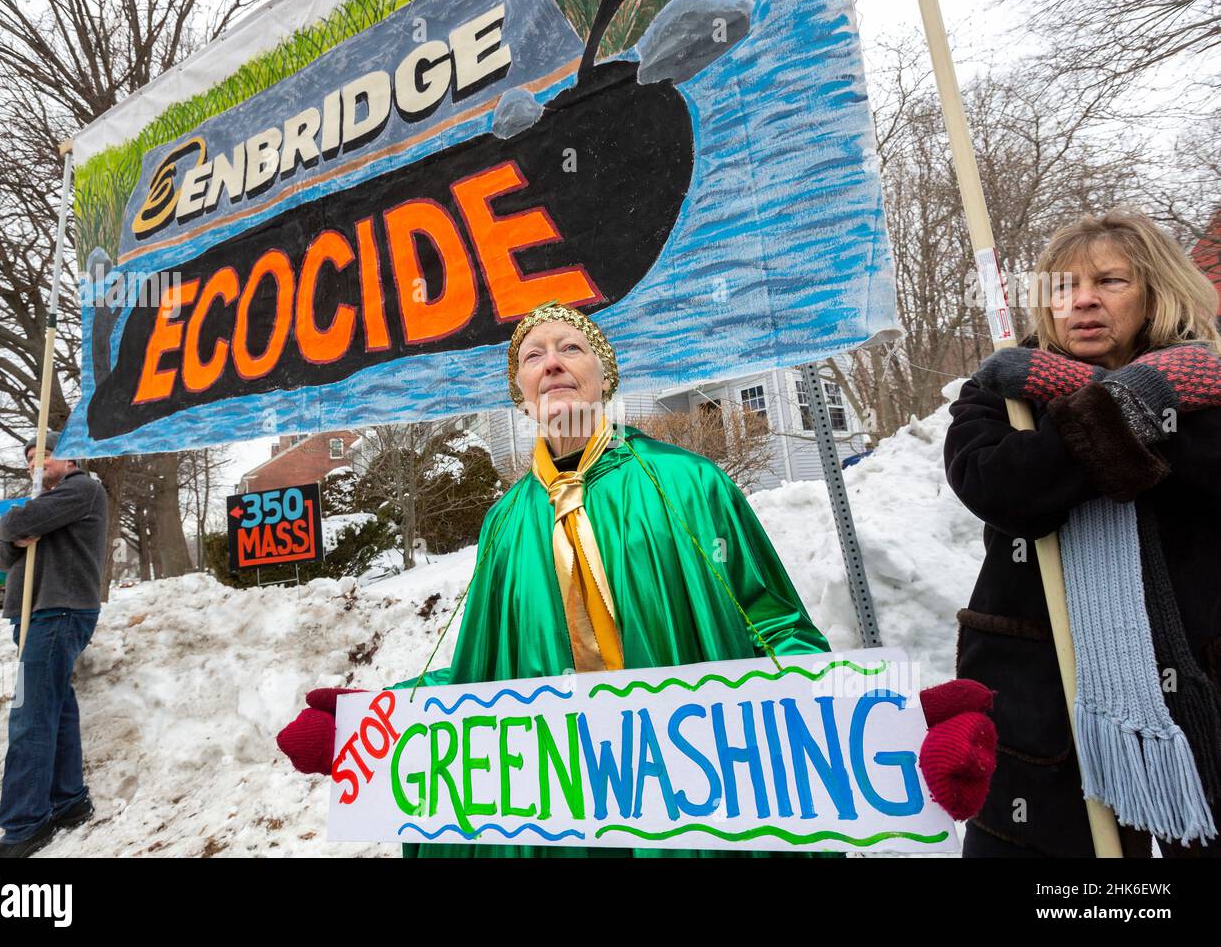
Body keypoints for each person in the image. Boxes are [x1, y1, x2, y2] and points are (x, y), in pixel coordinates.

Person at [280, 301, 996, 857]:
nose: (552, 362)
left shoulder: (689, 484)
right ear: (520, 390)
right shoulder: (504, 523)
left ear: (604, 376)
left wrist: (888, 723)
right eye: (533, 355)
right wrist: (366, 726)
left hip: (686, 798)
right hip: (555, 809)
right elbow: (473, 677)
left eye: (571, 348)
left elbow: (775, 627)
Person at [945, 209, 1221, 857]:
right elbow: (1007, 490)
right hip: (1043, 707)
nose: (1083, 298)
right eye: (1063, 285)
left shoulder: (1207, 388)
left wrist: (1109, 396)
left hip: (1198, 706)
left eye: (1111, 281)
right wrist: (1128, 402)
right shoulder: (1005, 393)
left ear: (1157, 291)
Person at [0, 429, 109, 858]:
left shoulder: (84, 490)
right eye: (31, 458)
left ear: (70, 459)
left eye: (45, 456)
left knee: (30, 717)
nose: (36, 465)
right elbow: (0, 558)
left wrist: (15, 527)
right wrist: (15, 537)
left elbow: (11, 524)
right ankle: (69, 801)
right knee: (55, 709)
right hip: (32, 613)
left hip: (60, 610)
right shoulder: (42, 505)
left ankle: (25, 826)